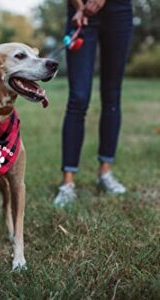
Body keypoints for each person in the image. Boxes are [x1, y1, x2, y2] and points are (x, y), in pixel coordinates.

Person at [54, 0, 133, 207]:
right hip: (79, 10)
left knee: (112, 95)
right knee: (78, 97)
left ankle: (105, 172)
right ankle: (67, 183)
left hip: (119, 9)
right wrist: (79, 6)